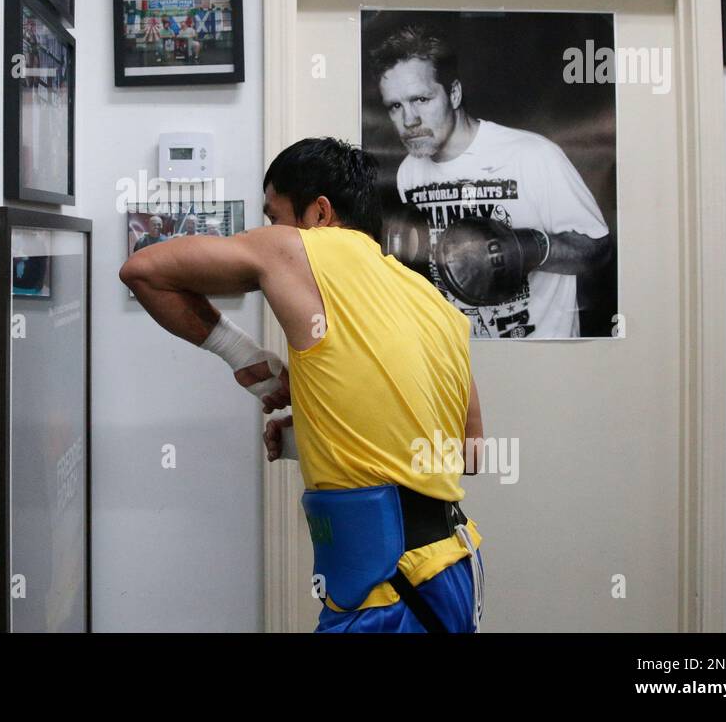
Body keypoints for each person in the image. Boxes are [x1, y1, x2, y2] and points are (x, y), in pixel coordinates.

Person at [121, 138, 485, 633]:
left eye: (273, 215)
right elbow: (469, 452)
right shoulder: (434, 301)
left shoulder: (297, 247)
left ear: (319, 212)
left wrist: (243, 357)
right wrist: (316, 429)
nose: (267, 231)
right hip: (450, 570)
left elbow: (143, 271)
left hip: (389, 591)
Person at [373, 24, 612, 339]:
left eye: (421, 99)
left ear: (454, 93)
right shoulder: (409, 172)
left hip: (538, 356)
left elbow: (598, 250)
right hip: (457, 358)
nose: (409, 120)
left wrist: (529, 248)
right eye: (395, 106)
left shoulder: (533, 154)